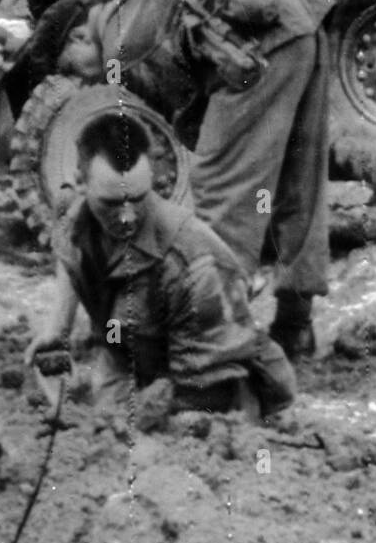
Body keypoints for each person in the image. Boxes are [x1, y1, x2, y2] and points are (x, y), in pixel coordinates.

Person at [51, 0, 334, 360]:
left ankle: (214, 337)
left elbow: (178, 121)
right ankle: (295, 325)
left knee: (222, 191)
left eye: (71, 66)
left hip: (257, 47)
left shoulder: (118, 40)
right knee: (298, 178)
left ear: (79, 35)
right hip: (301, 22)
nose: (82, 77)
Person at [25, 113, 295, 421]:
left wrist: (128, 420)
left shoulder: (190, 262)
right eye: (111, 203)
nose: (126, 217)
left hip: (212, 393)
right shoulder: (76, 215)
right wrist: (58, 327)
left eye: (138, 199)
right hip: (131, 361)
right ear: (81, 183)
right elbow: (70, 250)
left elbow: (208, 387)